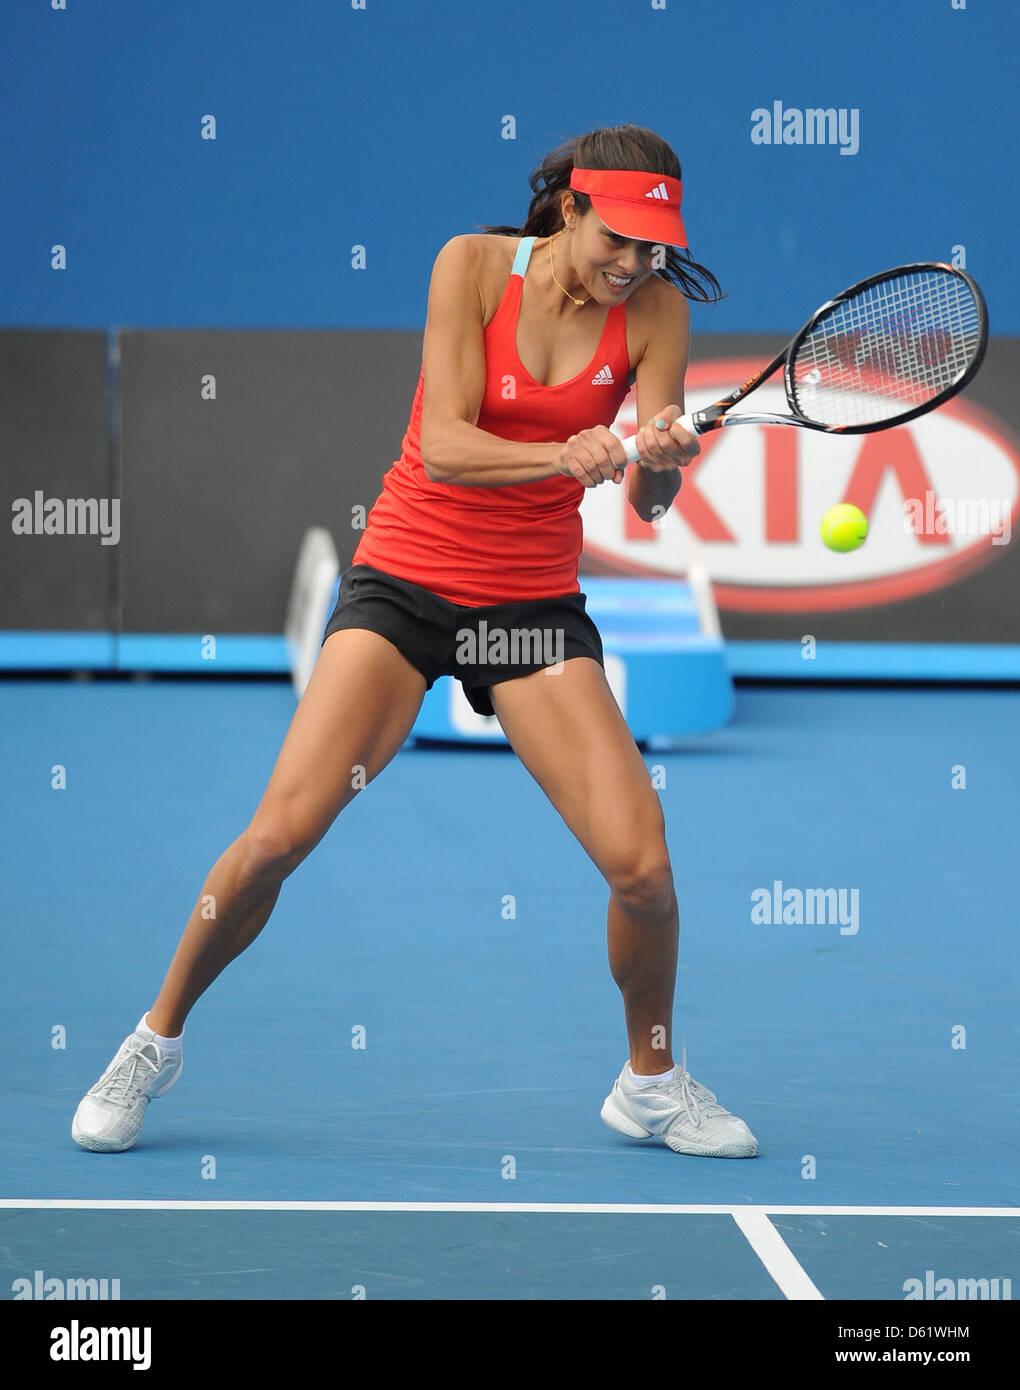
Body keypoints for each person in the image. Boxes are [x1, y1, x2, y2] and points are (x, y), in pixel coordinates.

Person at [72, 124, 758, 1160]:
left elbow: (650, 501)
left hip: (528, 607)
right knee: (276, 840)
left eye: (653, 245)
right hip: (406, 584)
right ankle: (152, 1041)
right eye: (617, 237)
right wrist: (561, 454)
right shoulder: (472, 266)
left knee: (644, 871)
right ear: (570, 209)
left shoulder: (655, 310)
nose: (633, 264)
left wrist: (657, 458)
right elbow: (442, 443)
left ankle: (650, 1081)